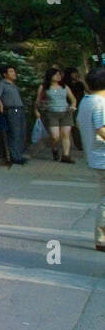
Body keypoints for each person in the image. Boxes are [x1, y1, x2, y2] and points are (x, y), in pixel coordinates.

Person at [75, 66, 105, 252]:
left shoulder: (86, 101)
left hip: (95, 157)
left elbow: (79, 124)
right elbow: (102, 129)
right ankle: (102, 238)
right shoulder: (101, 103)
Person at [34, 67, 77, 163]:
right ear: (50, 76)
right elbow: (38, 100)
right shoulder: (43, 87)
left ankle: (66, 156)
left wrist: (73, 106)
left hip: (66, 112)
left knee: (66, 134)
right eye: (56, 74)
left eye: (59, 74)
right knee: (55, 136)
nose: (58, 76)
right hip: (51, 113)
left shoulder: (64, 87)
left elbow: (73, 99)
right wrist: (36, 110)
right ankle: (55, 148)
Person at [0, 64, 28, 165]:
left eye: (14, 71)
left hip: (19, 109)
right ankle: (14, 157)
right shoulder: (2, 84)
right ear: (5, 74)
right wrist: (0, 106)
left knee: (21, 132)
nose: (14, 73)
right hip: (11, 110)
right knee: (14, 133)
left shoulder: (13, 85)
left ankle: (19, 154)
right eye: (11, 71)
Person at [65, 67, 87, 152]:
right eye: (74, 73)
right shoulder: (66, 85)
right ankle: (79, 144)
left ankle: (82, 143)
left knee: (81, 125)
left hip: (81, 106)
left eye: (76, 72)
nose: (76, 74)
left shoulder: (79, 83)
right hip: (71, 107)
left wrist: (82, 82)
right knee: (75, 126)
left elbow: (89, 91)